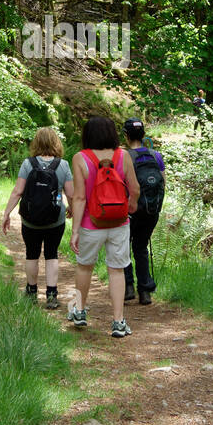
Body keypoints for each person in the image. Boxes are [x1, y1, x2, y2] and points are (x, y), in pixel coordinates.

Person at [69, 116, 140, 338]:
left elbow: (79, 198)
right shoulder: (123, 155)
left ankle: (79, 311)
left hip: (92, 223)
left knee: (84, 266)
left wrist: (75, 230)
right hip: (119, 222)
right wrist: (131, 207)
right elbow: (135, 188)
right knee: (116, 270)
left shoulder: (80, 158)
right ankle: (118, 322)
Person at [2, 127, 74, 309]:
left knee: (31, 254)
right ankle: (51, 295)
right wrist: (72, 208)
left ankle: (32, 293)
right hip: (55, 220)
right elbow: (71, 194)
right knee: (52, 255)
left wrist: (7, 213)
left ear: (36, 143)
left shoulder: (28, 164)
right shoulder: (63, 165)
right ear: (56, 143)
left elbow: (18, 191)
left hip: (30, 220)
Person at [123, 118, 165, 306]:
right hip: (151, 210)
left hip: (129, 210)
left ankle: (127, 287)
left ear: (126, 135)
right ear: (144, 135)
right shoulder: (156, 155)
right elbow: (163, 183)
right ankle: (145, 292)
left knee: (124, 247)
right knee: (141, 247)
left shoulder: (124, 157)